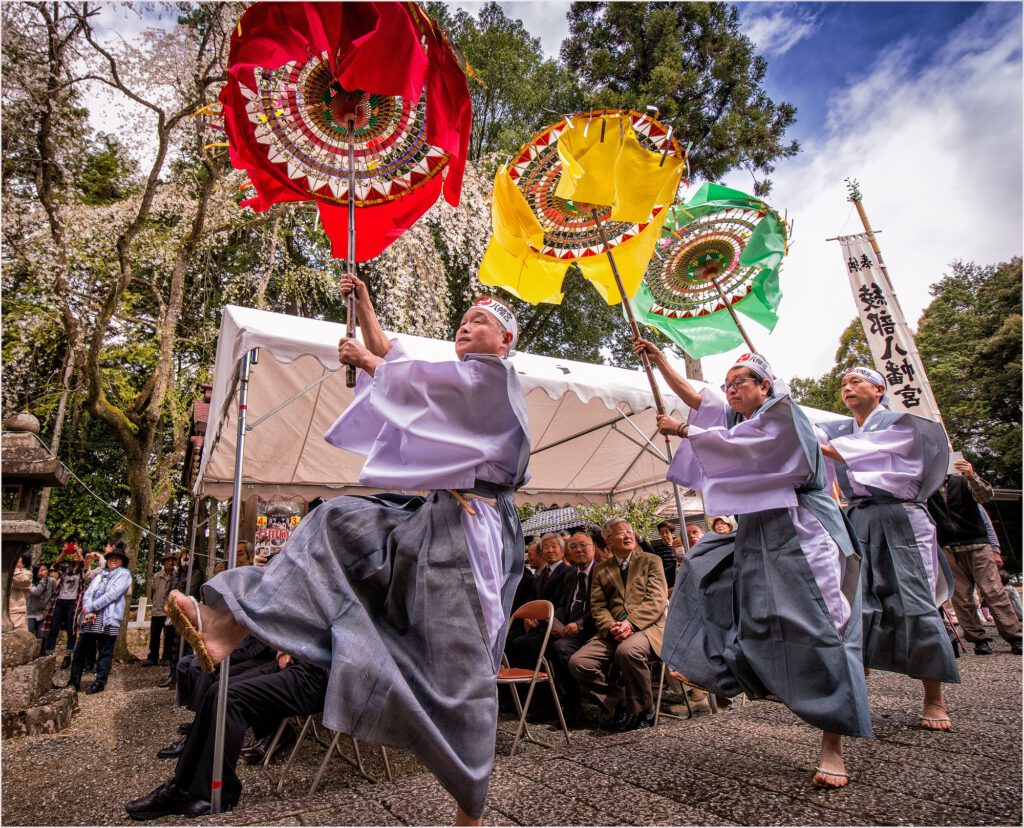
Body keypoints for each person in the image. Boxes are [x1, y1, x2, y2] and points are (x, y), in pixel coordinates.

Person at [160, 279, 529, 825]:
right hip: (435, 517)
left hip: (473, 532)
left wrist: (367, 360)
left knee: (463, 670)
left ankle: (469, 806)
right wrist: (365, 307)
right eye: (464, 318)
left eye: (479, 320)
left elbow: (418, 385)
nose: (466, 325)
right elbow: (403, 363)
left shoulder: (496, 380)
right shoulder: (461, 375)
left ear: (505, 340)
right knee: (336, 518)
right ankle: (226, 623)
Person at [636, 340, 872, 789]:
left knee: (824, 628)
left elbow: (754, 444)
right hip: (758, 531)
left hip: (804, 529)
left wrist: (685, 433)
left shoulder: (786, 414)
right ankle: (714, 666)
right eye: (726, 386)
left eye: (739, 383)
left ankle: (833, 744)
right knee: (705, 570)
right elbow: (697, 400)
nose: (729, 392)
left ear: (766, 384)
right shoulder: (736, 421)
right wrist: (658, 360)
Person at [817, 366, 959, 730]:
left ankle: (934, 698)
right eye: (844, 384)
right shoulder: (842, 430)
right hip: (860, 518)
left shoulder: (901, 425)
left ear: (879, 389)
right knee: (855, 607)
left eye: (856, 382)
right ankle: (856, 697)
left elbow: (842, 453)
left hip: (900, 518)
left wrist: (811, 444)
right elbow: (811, 439)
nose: (847, 388)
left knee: (914, 604)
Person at [126, 653, 329, 819]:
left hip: (324, 672)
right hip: (301, 660)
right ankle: (181, 786)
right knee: (217, 690)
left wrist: (301, 646)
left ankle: (216, 794)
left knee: (230, 699)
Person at [568, 518, 668, 731]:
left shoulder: (651, 560)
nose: (628, 535)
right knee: (579, 662)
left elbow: (657, 600)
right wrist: (611, 626)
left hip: (648, 628)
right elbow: (597, 605)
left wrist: (630, 624)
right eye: (621, 532)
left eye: (630, 531)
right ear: (608, 540)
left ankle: (644, 710)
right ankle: (620, 701)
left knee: (627, 651)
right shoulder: (602, 569)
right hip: (614, 630)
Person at [926, 460, 1022, 655]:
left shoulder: (962, 481)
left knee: (993, 591)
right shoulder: (927, 489)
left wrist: (971, 474)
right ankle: (978, 639)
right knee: (961, 596)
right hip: (949, 548)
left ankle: (1014, 636)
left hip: (977, 543)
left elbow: (985, 498)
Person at [68, 542, 133, 694]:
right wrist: (87, 606)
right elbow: (89, 591)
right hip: (90, 617)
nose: (113, 560)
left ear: (122, 562)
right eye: (111, 558)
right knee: (80, 650)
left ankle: (99, 682)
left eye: (117, 559)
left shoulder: (124, 574)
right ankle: (74, 681)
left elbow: (113, 594)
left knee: (105, 651)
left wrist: (92, 606)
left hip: (107, 617)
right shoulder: (101, 574)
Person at [548, 531, 597, 726]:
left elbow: (606, 607)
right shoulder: (572, 576)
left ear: (593, 548)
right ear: (567, 555)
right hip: (569, 629)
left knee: (560, 648)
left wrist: (580, 624)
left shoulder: (601, 572)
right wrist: (555, 622)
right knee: (536, 642)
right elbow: (562, 605)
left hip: (594, 627)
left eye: (583, 545)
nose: (578, 550)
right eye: (573, 547)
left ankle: (575, 707)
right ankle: (553, 705)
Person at [42, 542, 88, 665]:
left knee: (71, 628)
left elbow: (84, 565)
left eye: (78, 554)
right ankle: (50, 653)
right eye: (75, 553)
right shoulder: (66, 567)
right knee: (53, 627)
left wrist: (79, 552)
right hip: (60, 600)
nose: (76, 556)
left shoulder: (82, 570)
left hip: (73, 602)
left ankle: (68, 655)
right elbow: (54, 566)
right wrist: (63, 552)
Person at [147, 555, 177, 667]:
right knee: (154, 635)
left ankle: (167, 658)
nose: (170, 563)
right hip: (157, 609)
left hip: (170, 611)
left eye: (172, 561)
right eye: (168, 561)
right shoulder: (157, 576)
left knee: (169, 636)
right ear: (163, 563)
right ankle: (152, 658)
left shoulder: (176, 575)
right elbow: (154, 590)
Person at [28, 563, 57, 638]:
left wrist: (47, 609)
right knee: (29, 635)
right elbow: (36, 592)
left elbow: (53, 596)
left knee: (42, 636)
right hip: (30, 613)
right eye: (41, 570)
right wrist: (44, 579)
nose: (43, 572)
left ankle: (43, 650)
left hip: (43, 613)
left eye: (45, 570)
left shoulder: (52, 581)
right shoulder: (29, 581)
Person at [9, 552, 33, 631]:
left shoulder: (27, 574)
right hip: (5, 609)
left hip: (16, 612)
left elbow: (19, 579)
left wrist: (10, 564)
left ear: (24, 561)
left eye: (18, 557)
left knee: (17, 636)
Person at [650, 521, 679, 587]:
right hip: (664, 580)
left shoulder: (679, 546)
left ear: (672, 533)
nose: (664, 535)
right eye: (662, 532)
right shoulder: (656, 549)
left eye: (667, 532)